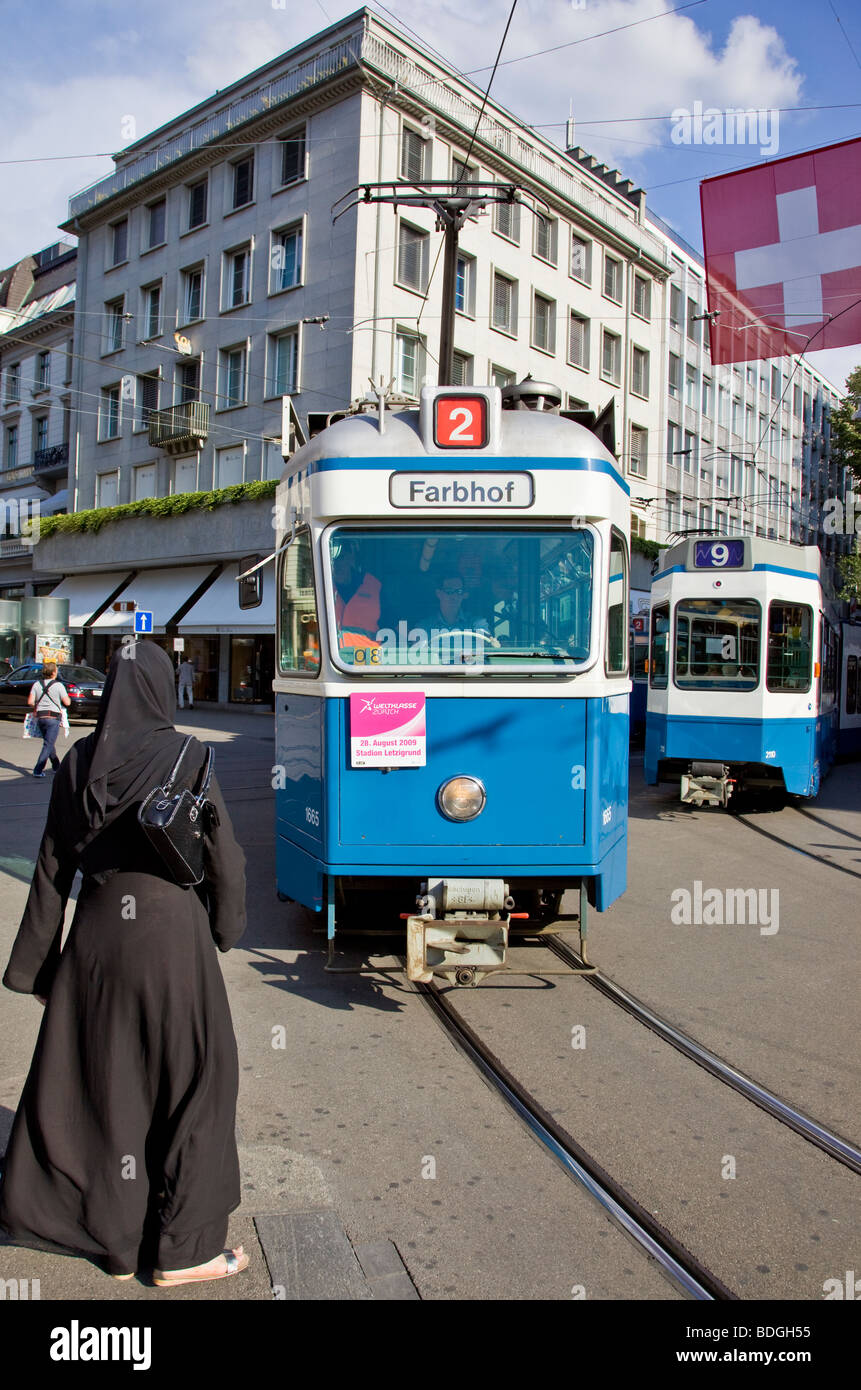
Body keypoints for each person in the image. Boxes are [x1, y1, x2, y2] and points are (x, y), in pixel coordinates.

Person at [0, 642, 249, 1286]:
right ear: (163, 690)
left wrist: (38, 967)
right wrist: (226, 929)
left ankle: (110, 1241)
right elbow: (224, 858)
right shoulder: (188, 755)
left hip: (98, 942)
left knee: (105, 1087)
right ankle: (184, 1250)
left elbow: (52, 869)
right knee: (199, 1080)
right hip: (173, 943)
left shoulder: (79, 760)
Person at [27, 661, 71, 777]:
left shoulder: (37, 684)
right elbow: (67, 702)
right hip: (53, 718)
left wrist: (39, 705)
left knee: (49, 742)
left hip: (40, 717)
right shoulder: (58, 685)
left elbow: (30, 702)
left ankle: (57, 766)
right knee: (48, 744)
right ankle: (38, 770)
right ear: (54, 672)